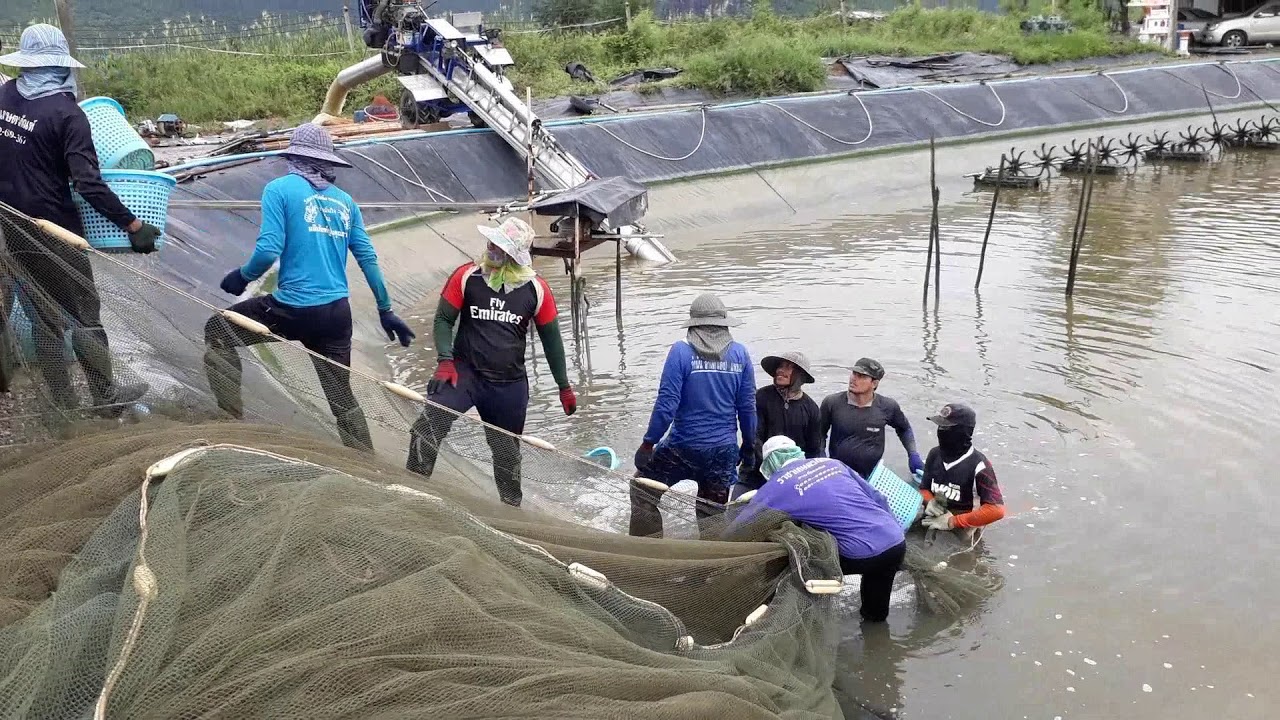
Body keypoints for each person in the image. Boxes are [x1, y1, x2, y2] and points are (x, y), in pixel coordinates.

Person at [204, 123, 414, 452]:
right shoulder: (345, 202)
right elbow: (368, 259)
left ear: (294, 157)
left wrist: (242, 277)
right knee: (341, 397)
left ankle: (231, 425)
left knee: (217, 330)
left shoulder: (279, 189)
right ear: (326, 162)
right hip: (336, 315)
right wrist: (386, 309)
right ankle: (367, 463)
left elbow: (268, 250)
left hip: (292, 309)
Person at [0, 24, 159, 415]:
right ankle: (105, 399)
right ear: (60, 66)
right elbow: (89, 184)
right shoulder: (67, 114)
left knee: (44, 318)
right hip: (55, 232)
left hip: (11, 225)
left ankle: (63, 405)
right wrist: (133, 225)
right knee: (84, 316)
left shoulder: (3, 96)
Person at [406, 216, 577, 507]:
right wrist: (445, 360)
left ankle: (511, 511)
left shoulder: (536, 289)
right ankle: (412, 493)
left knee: (507, 453)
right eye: (492, 243)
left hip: (508, 384)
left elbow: (552, 341)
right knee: (429, 423)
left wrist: (564, 386)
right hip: (463, 372)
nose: (492, 248)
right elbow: (444, 319)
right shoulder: (466, 276)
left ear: (515, 254)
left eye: (500, 246)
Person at [735, 436, 907, 623]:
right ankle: (878, 639)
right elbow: (879, 498)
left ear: (769, 464)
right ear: (797, 453)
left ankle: (799, 618)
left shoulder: (776, 485)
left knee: (792, 557)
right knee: (875, 615)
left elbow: (740, 526)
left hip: (858, 555)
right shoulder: (832, 463)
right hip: (895, 541)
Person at [630, 293, 756, 537]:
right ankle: (709, 568)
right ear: (724, 325)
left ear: (694, 325)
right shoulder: (740, 355)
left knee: (641, 490)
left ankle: (646, 553)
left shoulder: (681, 352)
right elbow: (748, 407)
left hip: (682, 448)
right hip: (722, 452)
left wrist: (648, 443)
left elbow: (667, 405)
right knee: (711, 514)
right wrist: (749, 446)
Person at [819, 357, 923, 481]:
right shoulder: (832, 403)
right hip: (839, 474)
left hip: (872, 475)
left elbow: (904, 429)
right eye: (854, 373)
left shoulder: (887, 406)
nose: (853, 378)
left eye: (861, 376)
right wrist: (821, 458)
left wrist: (912, 454)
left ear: (874, 383)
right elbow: (818, 434)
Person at [735, 350, 822, 497]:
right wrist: (771, 467)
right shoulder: (761, 397)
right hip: (754, 473)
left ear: (800, 376)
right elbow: (754, 437)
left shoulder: (811, 408)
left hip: (793, 478)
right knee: (733, 513)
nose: (780, 370)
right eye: (779, 366)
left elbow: (814, 450)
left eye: (788, 367)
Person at [918, 402, 1007, 537]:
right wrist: (929, 501)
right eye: (940, 426)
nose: (941, 431)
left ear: (962, 432)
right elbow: (924, 488)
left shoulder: (979, 465)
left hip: (963, 524)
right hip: (934, 516)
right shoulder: (934, 454)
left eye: (946, 428)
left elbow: (996, 510)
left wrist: (953, 521)